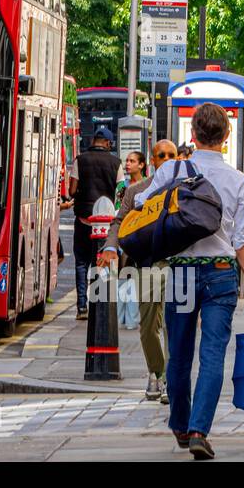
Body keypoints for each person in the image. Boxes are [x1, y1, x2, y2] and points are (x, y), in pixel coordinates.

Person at [134, 103, 244, 460]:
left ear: (192, 135)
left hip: (179, 272)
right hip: (221, 273)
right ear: (226, 137)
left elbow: (140, 202)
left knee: (178, 353)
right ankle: (199, 430)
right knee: (212, 356)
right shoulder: (240, 182)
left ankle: (179, 422)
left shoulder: (172, 169)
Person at [102, 138, 178, 403]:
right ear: (153, 161)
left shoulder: (185, 189)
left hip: (178, 264)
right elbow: (118, 221)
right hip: (148, 263)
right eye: (161, 156)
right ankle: (155, 371)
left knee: (173, 324)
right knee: (148, 326)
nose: (166, 160)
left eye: (171, 155)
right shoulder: (137, 191)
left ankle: (169, 378)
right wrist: (110, 247)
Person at [71, 127, 121, 321]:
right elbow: (121, 191)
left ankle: (82, 306)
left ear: (94, 140)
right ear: (108, 143)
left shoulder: (80, 160)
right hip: (105, 225)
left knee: (81, 262)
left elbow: (72, 189)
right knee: (100, 262)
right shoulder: (116, 163)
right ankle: (98, 303)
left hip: (84, 219)